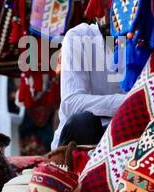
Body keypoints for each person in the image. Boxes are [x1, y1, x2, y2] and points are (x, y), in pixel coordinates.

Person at [52, 20, 125, 148]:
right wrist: (131, 101)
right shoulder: (78, 36)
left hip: (127, 128)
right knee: (84, 122)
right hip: (88, 135)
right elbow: (72, 103)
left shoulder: (143, 38)